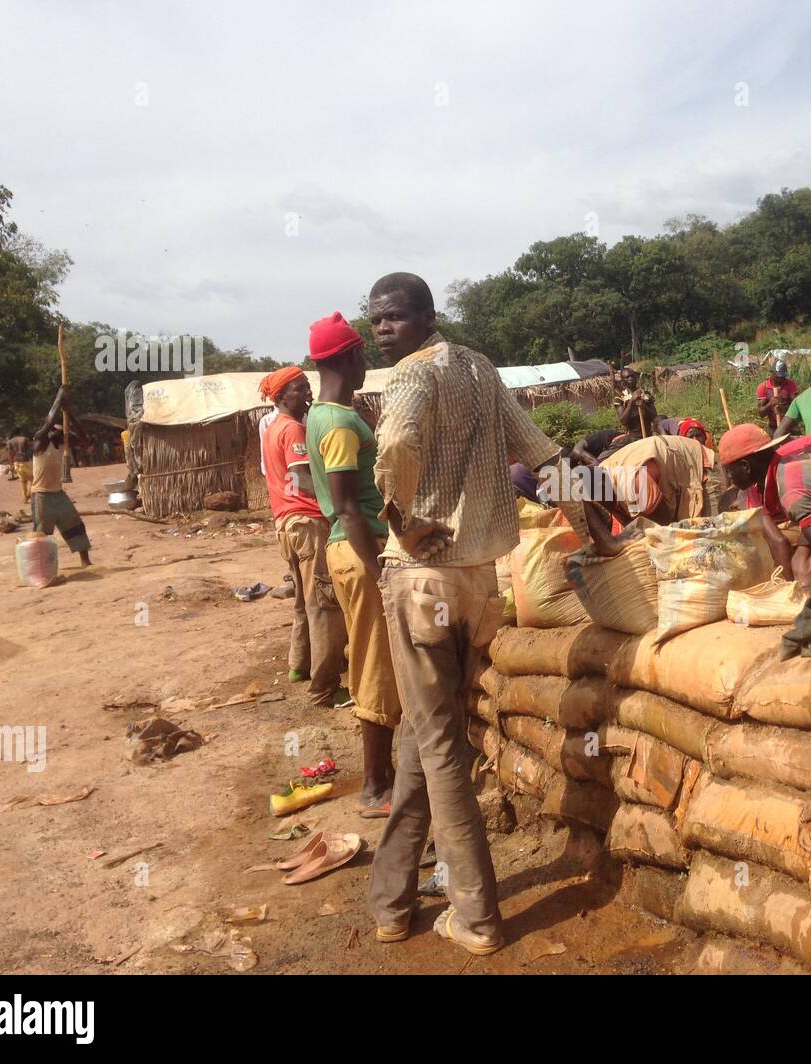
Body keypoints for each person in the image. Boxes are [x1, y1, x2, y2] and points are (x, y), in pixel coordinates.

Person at [365, 272, 558, 957]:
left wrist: (401, 520)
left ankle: (475, 915)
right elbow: (536, 447)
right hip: (479, 579)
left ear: (426, 317)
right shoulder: (479, 368)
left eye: (393, 317)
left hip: (422, 578)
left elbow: (393, 448)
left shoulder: (411, 378)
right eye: (376, 320)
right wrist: (590, 505)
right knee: (428, 735)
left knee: (440, 746)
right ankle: (392, 901)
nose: (382, 329)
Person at [305, 313, 402, 817]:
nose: (366, 364)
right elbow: (346, 505)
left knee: (370, 656)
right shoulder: (340, 423)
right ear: (347, 358)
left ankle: (384, 775)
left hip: (349, 548)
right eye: (361, 355)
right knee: (374, 661)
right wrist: (379, 567)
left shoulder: (320, 415)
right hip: (359, 549)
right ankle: (375, 786)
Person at [258, 365, 349, 709]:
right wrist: (333, 503)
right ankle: (324, 687)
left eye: (308, 385)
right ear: (281, 397)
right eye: (300, 388)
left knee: (304, 600)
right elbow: (302, 476)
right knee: (323, 604)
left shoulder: (272, 429)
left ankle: (299, 665)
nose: (308, 392)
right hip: (307, 524)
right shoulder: (294, 430)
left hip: (286, 524)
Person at [719, 424, 811, 596]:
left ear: (745, 466)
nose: (729, 478)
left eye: (729, 471)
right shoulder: (774, 475)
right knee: (802, 565)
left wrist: (803, 606)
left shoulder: (790, 486)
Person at [29, 386, 91, 566]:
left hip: (58, 493)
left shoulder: (63, 445)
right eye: (57, 429)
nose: (61, 432)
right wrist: (59, 399)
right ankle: (41, 568)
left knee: (75, 526)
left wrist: (69, 413)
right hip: (41, 495)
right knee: (41, 534)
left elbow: (84, 438)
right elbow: (48, 422)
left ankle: (85, 561)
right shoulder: (40, 442)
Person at [612, 367, 659, 437]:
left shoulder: (646, 395)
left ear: (636, 377)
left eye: (632, 376)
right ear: (623, 381)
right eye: (627, 377)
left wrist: (644, 406)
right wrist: (631, 401)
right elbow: (623, 421)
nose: (630, 378)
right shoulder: (620, 398)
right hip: (632, 437)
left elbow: (655, 416)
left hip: (648, 435)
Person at [756, 357, 799, 432]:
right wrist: (770, 404)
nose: (781, 379)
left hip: (789, 425)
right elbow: (761, 414)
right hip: (774, 426)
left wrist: (783, 409)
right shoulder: (763, 387)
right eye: (778, 376)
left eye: (783, 376)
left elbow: (796, 405)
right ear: (772, 373)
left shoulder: (790, 384)